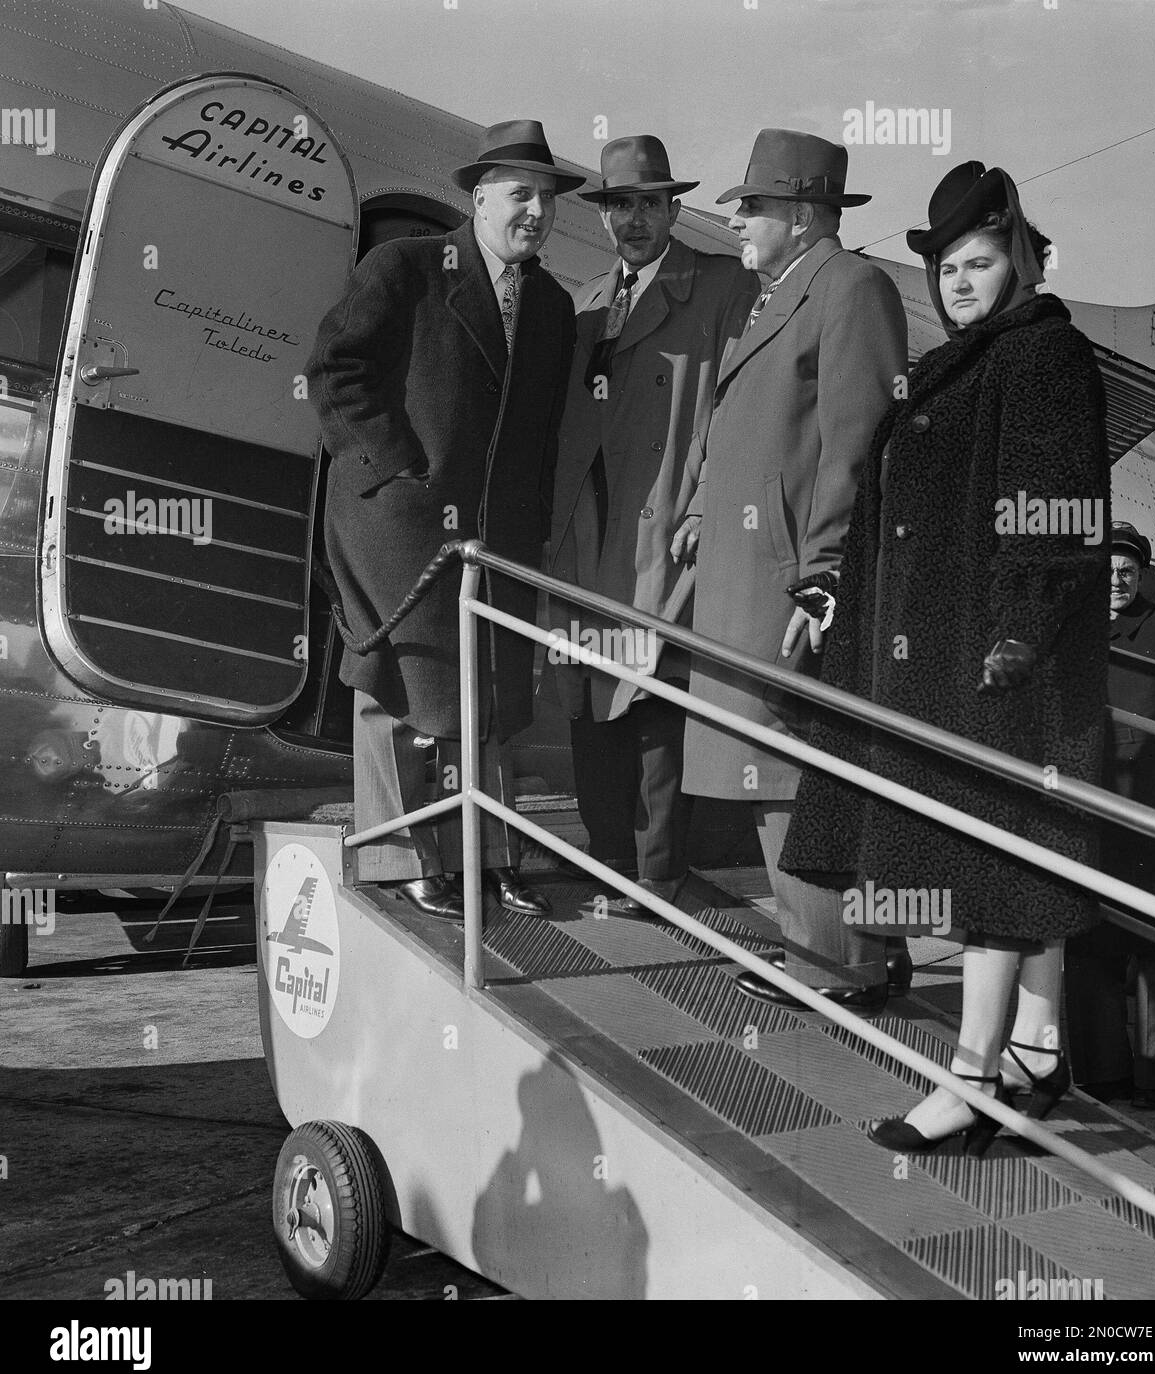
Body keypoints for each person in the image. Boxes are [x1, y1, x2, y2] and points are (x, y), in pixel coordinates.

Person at [778, 161, 1110, 1153]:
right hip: (955, 656)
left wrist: (1016, 632)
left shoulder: (1040, 355)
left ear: (1017, 257)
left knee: (989, 872)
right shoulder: (974, 358)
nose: (961, 282)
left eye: (979, 262)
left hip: (1001, 660)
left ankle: (970, 1079)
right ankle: (1039, 1049)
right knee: (1015, 865)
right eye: (948, 268)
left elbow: (1052, 510)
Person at [308, 120, 580, 921]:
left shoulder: (554, 305)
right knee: (396, 685)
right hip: (396, 524)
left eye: (547, 199)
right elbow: (335, 365)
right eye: (520, 194)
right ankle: (401, 858)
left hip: (498, 536)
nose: (535, 211)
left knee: (487, 698)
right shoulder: (406, 267)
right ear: (479, 197)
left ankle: (486, 858)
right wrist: (397, 467)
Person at [679, 129, 907, 1009]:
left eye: (754, 206)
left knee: (783, 767)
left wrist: (827, 574)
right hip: (749, 574)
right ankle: (832, 950)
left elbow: (859, 444)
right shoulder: (783, 291)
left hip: (786, 581)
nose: (738, 219)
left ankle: (833, 966)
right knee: (764, 762)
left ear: (805, 215)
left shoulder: (850, 287)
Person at [548, 135, 758, 914]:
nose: (633, 220)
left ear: (673, 209)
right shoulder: (587, 300)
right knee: (587, 699)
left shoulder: (721, 289)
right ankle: (607, 857)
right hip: (585, 529)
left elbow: (737, 412)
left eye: (648, 203)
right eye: (618, 206)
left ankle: (653, 873)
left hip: (661, 521)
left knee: (652, 699)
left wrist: (706, 505)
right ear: (603, 217)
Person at [1065, 522, 1155, 1109]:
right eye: (1109, 570)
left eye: (1128, 570)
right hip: (1090, 804)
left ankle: (1150, 1076)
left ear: (1141, 574)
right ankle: (1101, 1074)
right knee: (1088, 937)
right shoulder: (1071, 627)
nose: (1117, 580)